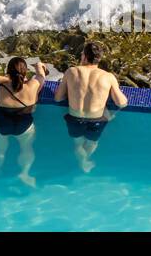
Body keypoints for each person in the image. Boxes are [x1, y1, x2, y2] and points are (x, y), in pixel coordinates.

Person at [54, 41, 127, 172]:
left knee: (77, 144)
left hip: (74, 118)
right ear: (99, 58)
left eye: (82, 54)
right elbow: (121, 103)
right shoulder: (108, 77)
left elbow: (58, 98)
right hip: (96, 121)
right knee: (92, 142)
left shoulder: (71, 72)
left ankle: (82, 161)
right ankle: (84, 161)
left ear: (85, 57)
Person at [0, 56, 47, 187]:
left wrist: (8, 78)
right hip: (23, 128)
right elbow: (41, 77)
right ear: (24, 74)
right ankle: (24, 173)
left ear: (8, 72)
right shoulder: (32, 87)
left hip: (0, 126)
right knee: (26, 148)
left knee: (0, 149)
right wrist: (39, 66)